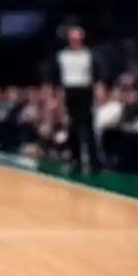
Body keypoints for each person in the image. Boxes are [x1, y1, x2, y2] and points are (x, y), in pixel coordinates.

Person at [56, 26, 103, 174]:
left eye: (79, 38)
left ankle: (94, 163)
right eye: (73, 38)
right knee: (73, 128)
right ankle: (75, 160)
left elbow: (96, 75)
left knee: (88, 127)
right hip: (70, 91)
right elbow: (59, 78)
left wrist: (97, 91)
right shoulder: (62, 55)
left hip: (85, 90)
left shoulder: (89, 54)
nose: (76, 40)